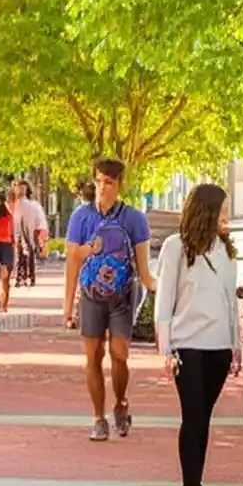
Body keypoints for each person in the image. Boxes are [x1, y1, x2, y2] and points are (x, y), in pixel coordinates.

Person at [156, 184, 242, 486]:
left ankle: (197, 479)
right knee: (192, 416)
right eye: (223, 209)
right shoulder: (176, 247)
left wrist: (237, 344)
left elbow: (230, 301)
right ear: (206, 210)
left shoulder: (226, 251)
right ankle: (190, 483)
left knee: (203, 418)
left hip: (219, 346)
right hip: (186, 346)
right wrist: (165, 349)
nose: (227, 215)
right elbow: (164, 301)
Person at [66, 158, 157, 441]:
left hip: (122, 296)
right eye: (99, 181)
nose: (103, 188)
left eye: (109, 182)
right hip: (91, 295)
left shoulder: (134, 219)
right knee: (93, 355)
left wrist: (161, 293)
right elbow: (72, 262)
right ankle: (98, 417)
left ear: (120, 185)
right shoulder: (81, 217)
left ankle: (121, 403)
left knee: (119, 353)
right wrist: (67, 308)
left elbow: (144, 271)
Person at [64, 179, 97, 330]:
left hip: (89, 277)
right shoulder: (121, 214)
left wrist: (67, 311)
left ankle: (76, 314)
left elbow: (73, 257)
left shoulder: (80, 215)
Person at [11, 179, 49, 288]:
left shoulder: (33, 205)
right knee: (19, 253)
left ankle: (29, 276)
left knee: (28, 252)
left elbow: (40, 221)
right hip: (18, 233)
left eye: (23, 188)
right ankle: (20, 276)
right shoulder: (14, 205)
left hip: (29, 233)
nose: (21, 190)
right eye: (19, 188)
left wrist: (41, 235)